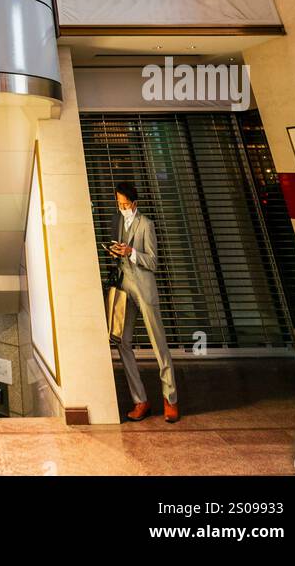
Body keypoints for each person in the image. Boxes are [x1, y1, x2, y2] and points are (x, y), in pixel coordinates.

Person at [108, 180, 179, 423]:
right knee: (123, 342)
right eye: (119, 204)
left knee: (158, 344)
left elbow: (153, 261)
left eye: (126, 204)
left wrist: (131, 253)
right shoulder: (117, 222)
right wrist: (115, 251)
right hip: (125, 290)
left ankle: (170, 399)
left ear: (134, 203)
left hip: (144, 290)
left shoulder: (146, 224)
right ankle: (141, 400)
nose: (123, 208)